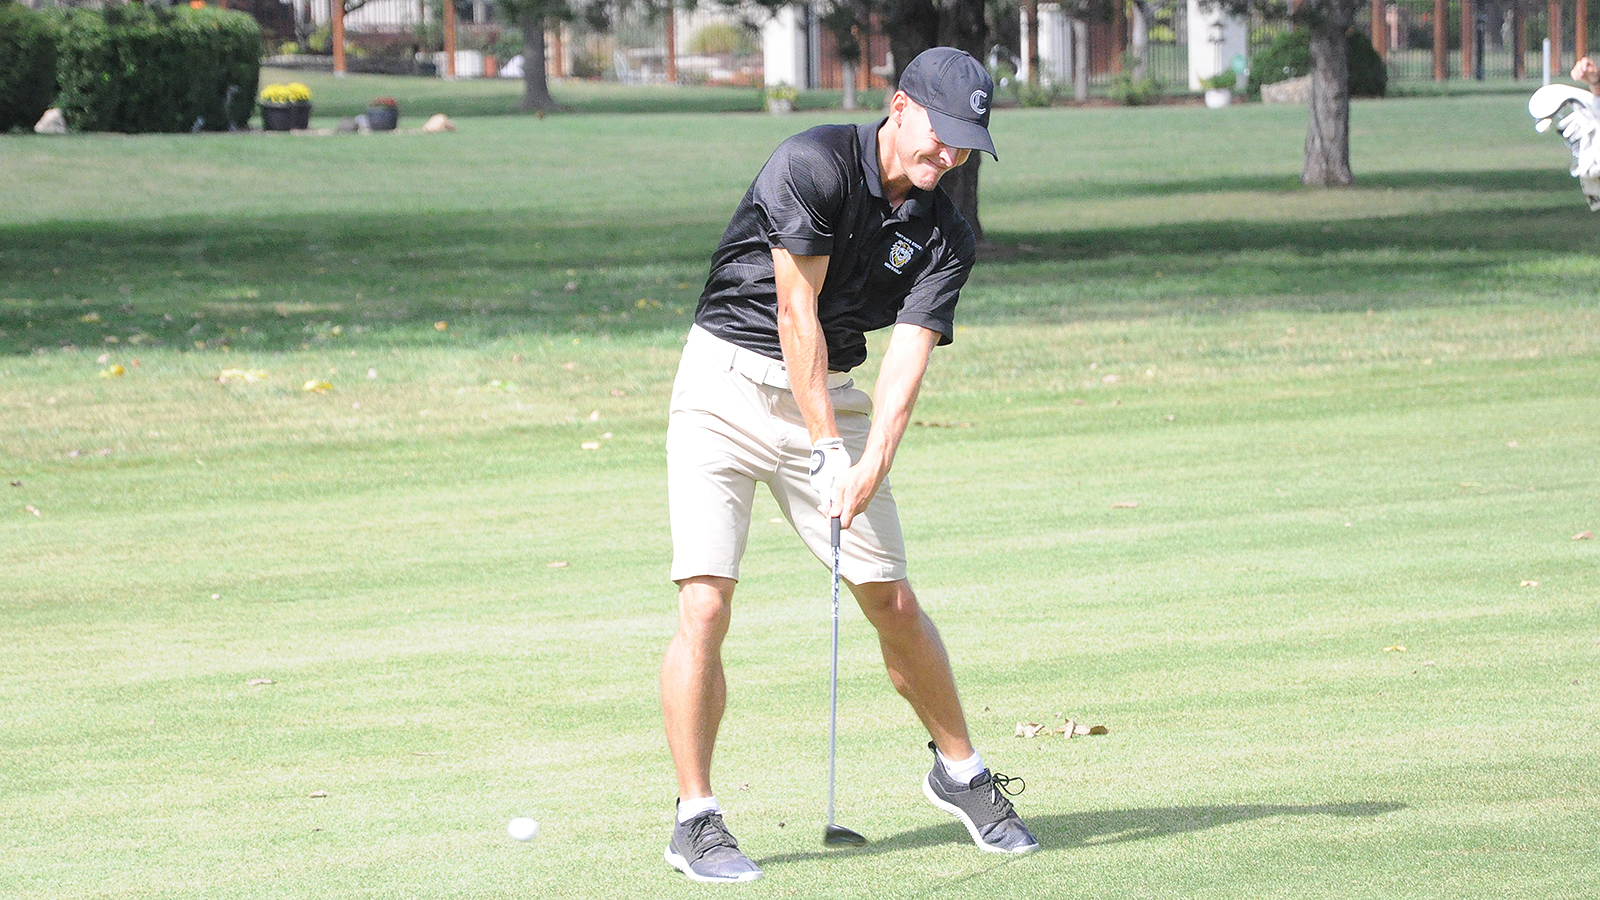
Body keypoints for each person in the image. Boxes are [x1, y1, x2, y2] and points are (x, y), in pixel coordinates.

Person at [659, 47, 1038, 884]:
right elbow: (797, 314)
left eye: (967, 145)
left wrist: (867, 465)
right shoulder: (811, 164)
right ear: (899, 107)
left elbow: (905, 366)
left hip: (833, 394)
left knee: (893, 598)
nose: (951, 157)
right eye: (942, 136)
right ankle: (696, 817)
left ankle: (962, 773)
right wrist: (828, 448)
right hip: (723, 384)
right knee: (707, 602)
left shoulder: (946, 232)